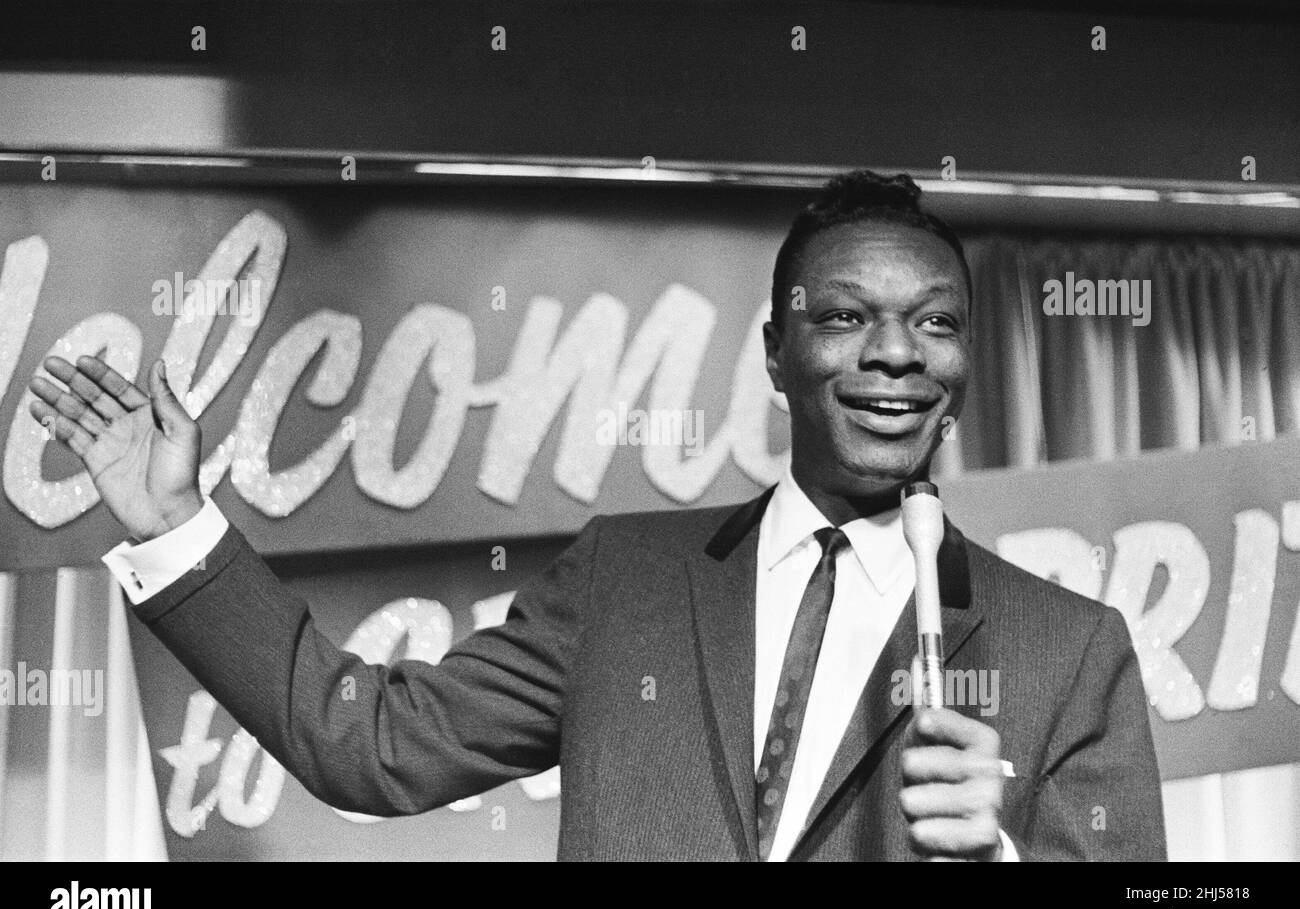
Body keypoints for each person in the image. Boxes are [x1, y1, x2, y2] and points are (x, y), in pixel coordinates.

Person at [27, 170, 1166, 861]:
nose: (893, 356)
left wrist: (1001, 858)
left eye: (935, 323)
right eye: (845, 317)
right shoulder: (626, 580)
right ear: (776, 351)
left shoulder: (1067, 650)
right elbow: (366, 745)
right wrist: (174, 519)